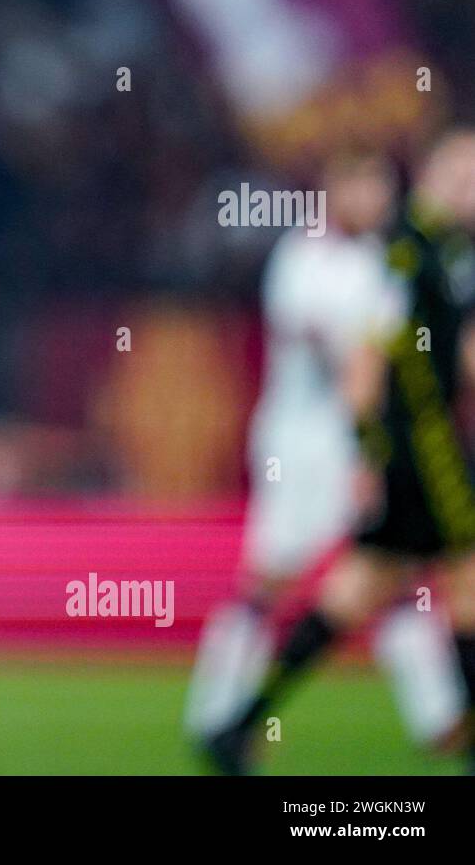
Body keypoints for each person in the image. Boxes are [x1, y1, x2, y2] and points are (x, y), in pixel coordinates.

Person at [204, 132, 475, 774]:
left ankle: (236, 722)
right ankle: (222, 712)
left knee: (366, 586)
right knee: (283, 580)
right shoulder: (398, 255)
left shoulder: (418, 251)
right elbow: (363, 357)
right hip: (369, 448)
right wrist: (366, 451)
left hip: (381, 446)